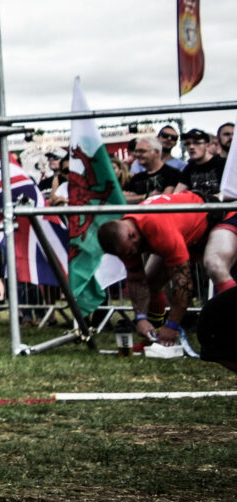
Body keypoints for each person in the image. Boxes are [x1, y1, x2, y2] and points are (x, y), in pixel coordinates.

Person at [96, 191, 237, 354]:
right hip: (189, 233)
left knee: (215, 265)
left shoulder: (158, 228)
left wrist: (172, 325)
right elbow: (136, 279)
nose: (130, 256)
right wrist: (140, 319)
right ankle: (151, 338)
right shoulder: (124, 239)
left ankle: (233, 335)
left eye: (129, 252)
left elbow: (182, 282)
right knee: (151, 284)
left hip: (221, 217)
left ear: (132, 235)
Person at [122, 134, 183, 201]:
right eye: (136, 151)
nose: (137, 154)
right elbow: (124, 199)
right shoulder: (136, 178)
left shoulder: (173, 174)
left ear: (156, 152)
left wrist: (136, 198)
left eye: (142, 151)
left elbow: (165, 199)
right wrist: (145, 196)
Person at [179, 127, 225, 200]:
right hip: (197, 208)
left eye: (197, 143)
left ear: (207, 146)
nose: (191, 147)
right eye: (187, 144)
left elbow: (231, 193)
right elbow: (177, 193)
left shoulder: (222, 163)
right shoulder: (190, 167)